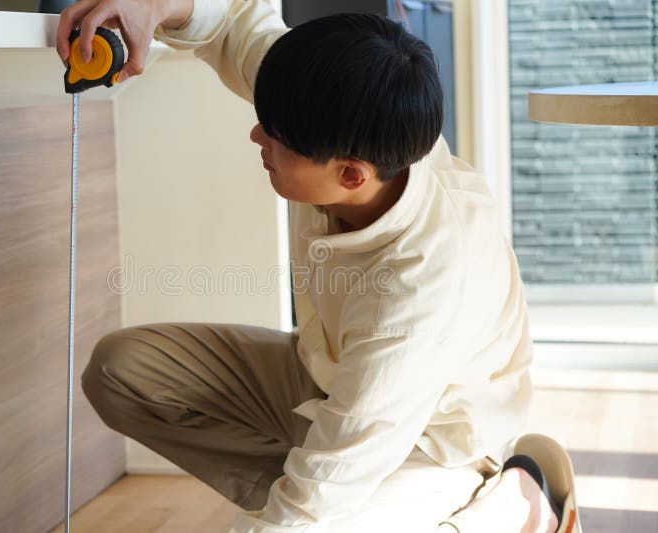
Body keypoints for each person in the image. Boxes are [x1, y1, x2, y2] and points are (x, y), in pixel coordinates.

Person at [55, 1, 581, 532]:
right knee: (120, 371)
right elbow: (240, 25)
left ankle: (515, 503)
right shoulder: (341, 113)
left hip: (432, 437)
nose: (258, 138)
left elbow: (348, 453)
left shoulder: (422, 285)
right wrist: (154, 6)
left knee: (310, 508)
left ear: (351, 174)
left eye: (277, 139)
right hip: (328, 378)